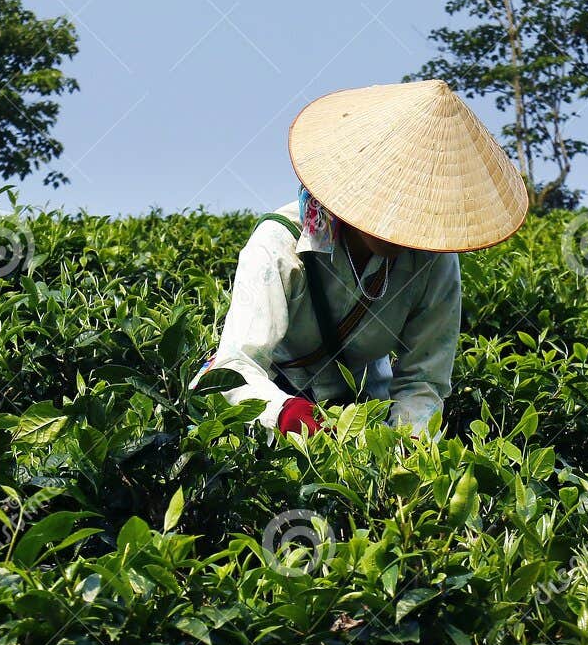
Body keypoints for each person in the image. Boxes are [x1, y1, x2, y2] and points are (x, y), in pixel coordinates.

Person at [201, 79, 528, 436]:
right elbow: (235, 365)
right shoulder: (280, 243)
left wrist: (403, 451)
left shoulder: (434, 263)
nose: (402, 227)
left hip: (361, 417)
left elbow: (424, 381)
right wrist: (285, 414)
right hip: (270, 411)